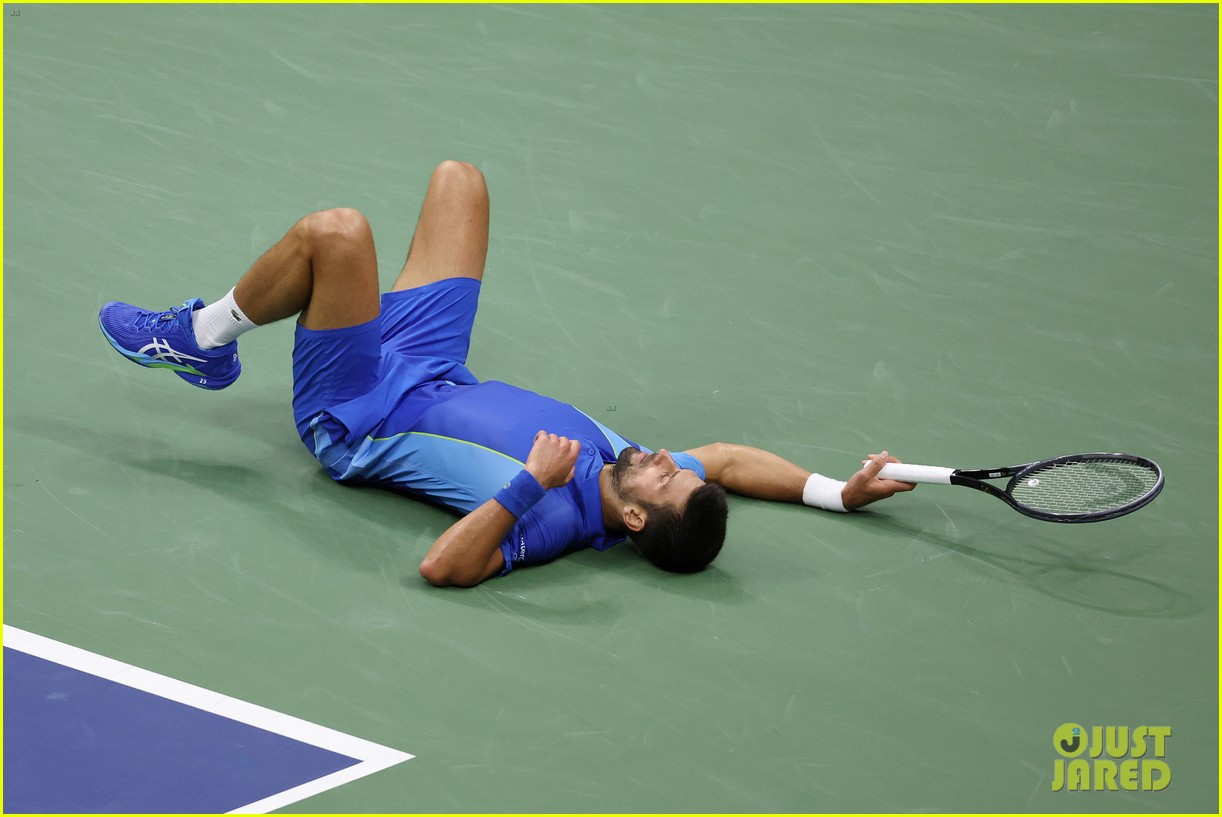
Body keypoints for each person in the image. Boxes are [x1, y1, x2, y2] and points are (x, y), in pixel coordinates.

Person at [98, 161, 915, 587]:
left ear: (633, 521)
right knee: (462, 183)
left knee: (337, 234)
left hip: (357, 411)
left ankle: (200, 339)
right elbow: (732, 460)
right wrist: (835, 493)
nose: (667, 459)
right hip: (433, 367)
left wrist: (527, 485)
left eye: (664, 480)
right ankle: (320, 310)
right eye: (674, 468)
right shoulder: (627, 465)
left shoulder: (555, 520)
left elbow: (443, 567)